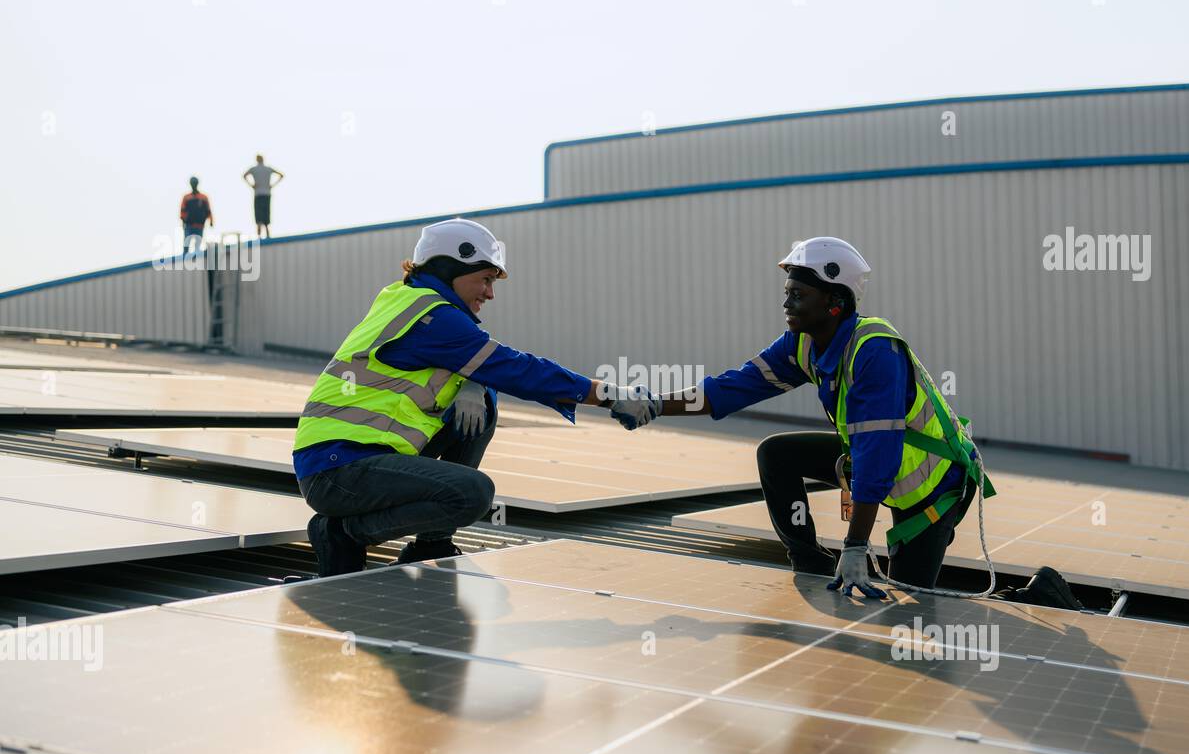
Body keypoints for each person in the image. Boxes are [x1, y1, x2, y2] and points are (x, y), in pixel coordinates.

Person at [619, 236, 1081, 609]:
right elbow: (731, 388)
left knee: (910, 607)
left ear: (835, 301)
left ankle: (1037, 598)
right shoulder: (802, 343)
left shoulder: (874, 350)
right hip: (877, 463)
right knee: (776, 454)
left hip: (932, 486)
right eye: (787, 294)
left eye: (799, 295)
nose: (788, 303)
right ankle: (809, 561)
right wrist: (658, 404)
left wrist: (856, 545)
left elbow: (878, 453)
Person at [292, 218, 654, 578]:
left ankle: (432, 544)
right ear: (452, 268)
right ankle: (341, 534)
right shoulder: (432, 318)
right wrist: (609, 395)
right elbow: (519, 369)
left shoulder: (410, 301)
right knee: (472, 494)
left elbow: (489, 369)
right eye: (485, 279)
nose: (489, 293)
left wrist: (475, 383)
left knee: (481, 406)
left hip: (359, 459)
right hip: (338, 469)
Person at [242, 154, 283, 238]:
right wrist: (272, 185)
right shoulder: (268, 169)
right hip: (267, 193)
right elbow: (281, 175)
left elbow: (244, 175)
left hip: (258, 194)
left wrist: (251, 185)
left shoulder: (254, 169)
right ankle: (268, 236)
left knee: (259, 217)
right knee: (266, 215)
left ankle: (259, 236)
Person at [179, 177, 213, 252]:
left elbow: (208, 211)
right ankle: (185, 259)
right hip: (189, 225)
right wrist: (183, 221)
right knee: (186, 245)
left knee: (197, 246)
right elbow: (182, 211)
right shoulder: (186, 197)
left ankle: (196, 260)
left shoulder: (203, 197)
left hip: (199, 225)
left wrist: (211, 221)